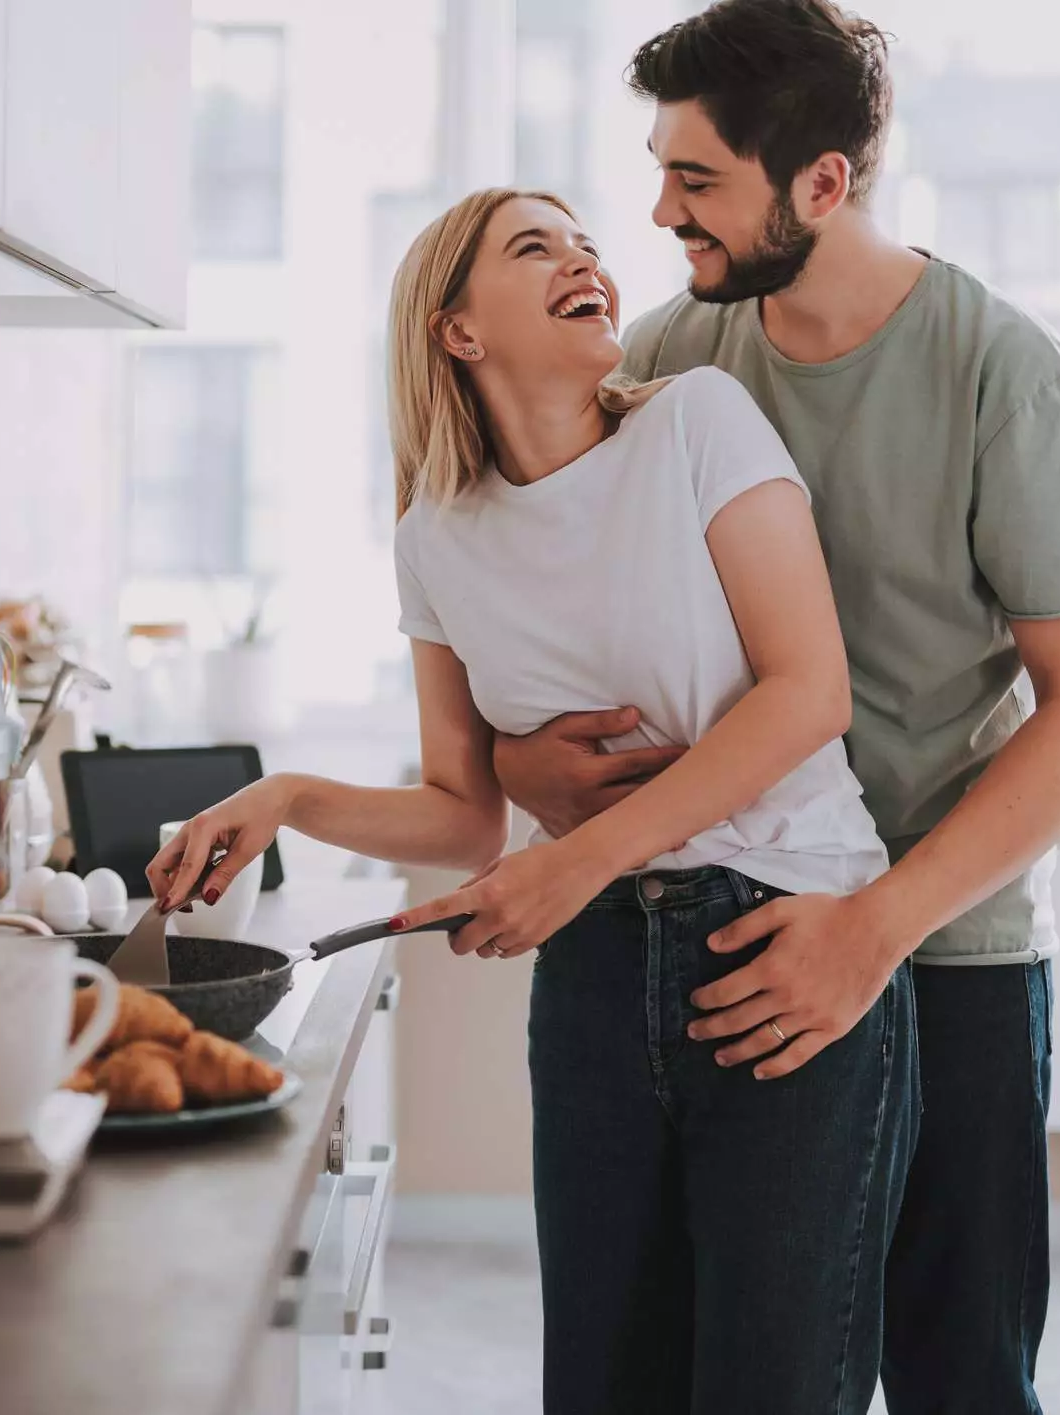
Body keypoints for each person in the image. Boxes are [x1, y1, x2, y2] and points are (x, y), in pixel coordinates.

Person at [148, 187, 915, 1415]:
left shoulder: (696, 425)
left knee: (773, 1385)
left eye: (584, 244)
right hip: (597, 979)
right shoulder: (436, 536)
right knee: (604, 1381)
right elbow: (461, 810)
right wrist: (286, 794)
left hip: (784, 934)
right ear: (456, 329)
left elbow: (807, 693)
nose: (585, 259)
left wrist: (572, 860)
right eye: (534, 246)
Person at [490, 3, 1060, 1411]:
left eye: (697, 180)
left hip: (944, 950)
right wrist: (509, 752)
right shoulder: (664, 361)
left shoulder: (1000, 375)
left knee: (959, 1374)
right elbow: (545, 590)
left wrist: (874, 926)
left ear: (822, 183)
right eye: (658, 170)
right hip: (729, 941)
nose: (657, 211)